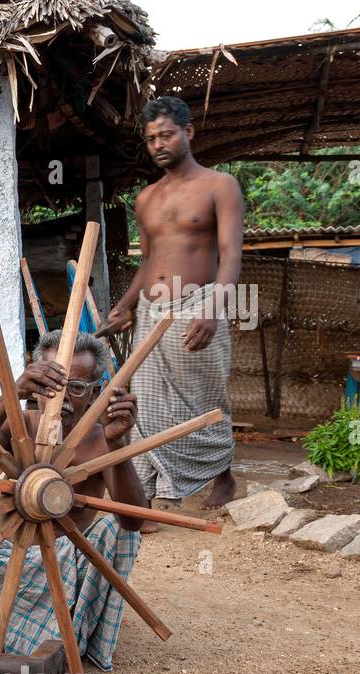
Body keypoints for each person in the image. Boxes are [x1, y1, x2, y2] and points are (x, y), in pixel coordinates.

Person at [0, 331, 146, 671]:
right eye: (51, 381)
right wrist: (12, 393)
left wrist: (119, 445)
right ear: (35, 380)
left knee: (117, 531)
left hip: (65, 574)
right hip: (6, 564)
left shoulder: (101, 441)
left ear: (95, 393)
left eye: (78, 387)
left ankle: (71, 636)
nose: (64, 397)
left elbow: (133, 520)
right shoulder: (19, 424)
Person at [96, 95, 244, 519]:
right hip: (151, 311)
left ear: (188, 133)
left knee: (205, 395)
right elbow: (148, 260)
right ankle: (162, 485)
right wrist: (124, 306)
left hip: (199, 301)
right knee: (146, 400)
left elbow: (232, 255)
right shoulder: (145, 199)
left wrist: (213, 309)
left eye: (166, 135)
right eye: (151, 139)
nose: (159, 144)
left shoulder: (220, 186)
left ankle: (222, 474)